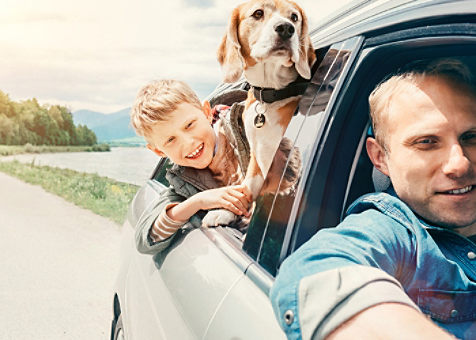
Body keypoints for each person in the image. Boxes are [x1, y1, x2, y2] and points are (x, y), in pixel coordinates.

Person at [270, 58, 476, 340]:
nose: (460, 164)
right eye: (426, 142)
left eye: (472, 136)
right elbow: (314, 271)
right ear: (380, 158)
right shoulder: (392, 231)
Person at [130, 79, 252, 254]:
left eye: (189, 125)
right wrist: (198, 201)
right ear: (158, 151)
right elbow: (146, 240)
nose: (188, 143)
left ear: (207, 112)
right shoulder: (184, 184)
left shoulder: (249, 126)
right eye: (171, 140)